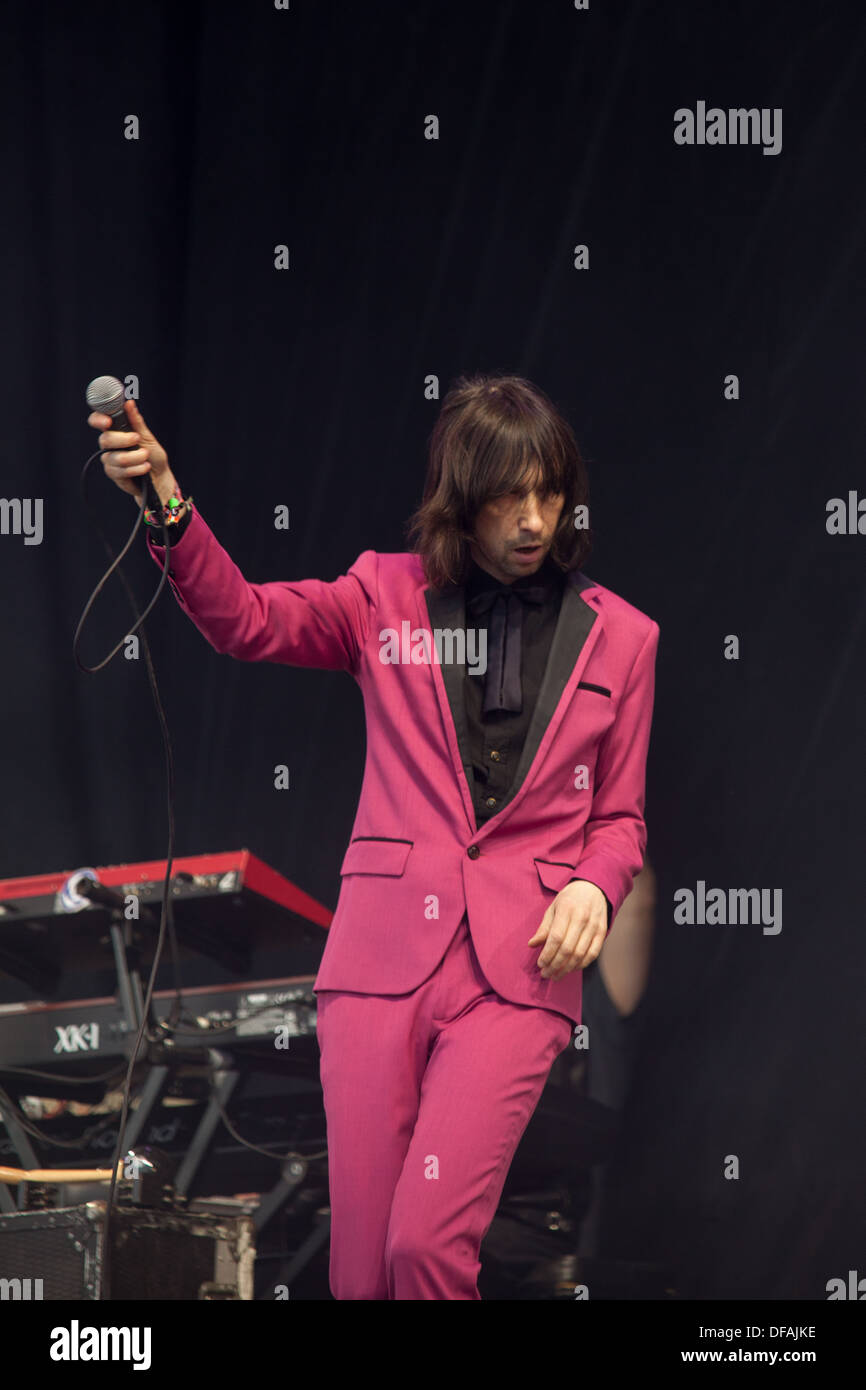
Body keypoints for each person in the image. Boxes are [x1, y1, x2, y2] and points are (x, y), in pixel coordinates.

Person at [88, 372, 659, 1300]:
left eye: (550, 495)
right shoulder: (381, 594)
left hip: (520, 968)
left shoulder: (624, 638)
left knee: (423, 1251)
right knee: (360, 1272)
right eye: (509, 497)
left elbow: (623, 817)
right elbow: (245, 620)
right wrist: (166, 502)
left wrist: (593, 885)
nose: (533, 521)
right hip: (377, 964)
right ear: (463, 499)